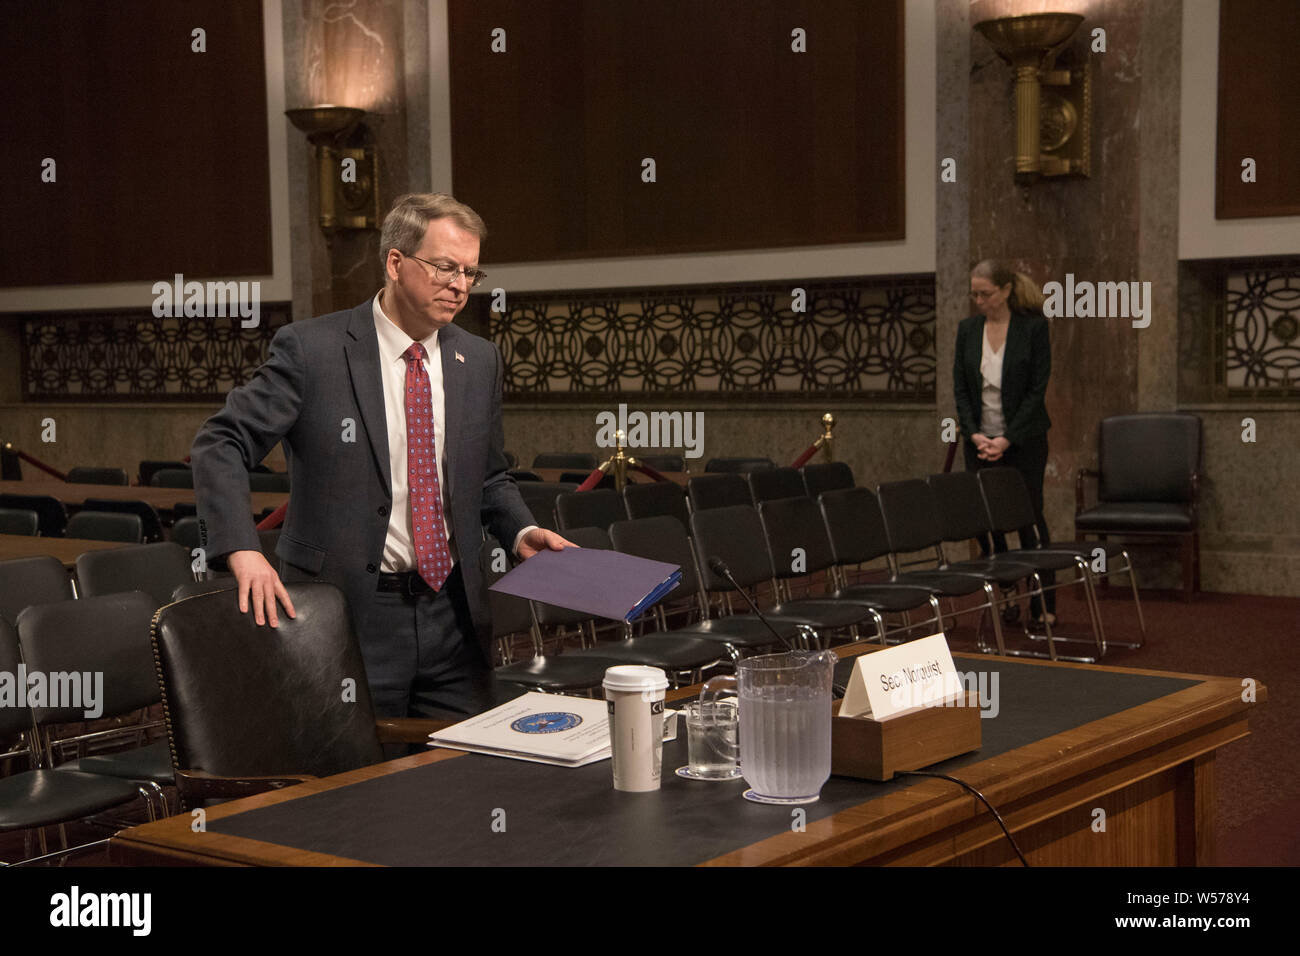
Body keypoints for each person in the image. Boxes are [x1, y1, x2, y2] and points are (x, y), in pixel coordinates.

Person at [191, 193, 573, 719]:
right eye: (444, 268)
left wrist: (522, 530)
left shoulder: (478, 359)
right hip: (346, 615)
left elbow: (487, 476)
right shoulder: (312, 351)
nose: (460, 286)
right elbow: (221, 442)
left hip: (454, 618)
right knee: (353, 791)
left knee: (459, 781)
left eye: (470, 273)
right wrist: (243, 549)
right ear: (396, 262)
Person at [953, 260, 1056, 624]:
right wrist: (975, 433)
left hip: (1023, 440)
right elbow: (961, 391)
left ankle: (1044, 602)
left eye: (986, 293)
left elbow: (1036, 391)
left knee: (1029, 516)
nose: (978, 300)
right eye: (974, 293)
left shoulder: (1032, 329)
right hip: (980, 440)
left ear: (1007, 291)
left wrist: (1007, 439)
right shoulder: (968, 330)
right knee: (988, 520)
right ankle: (1007, 591)